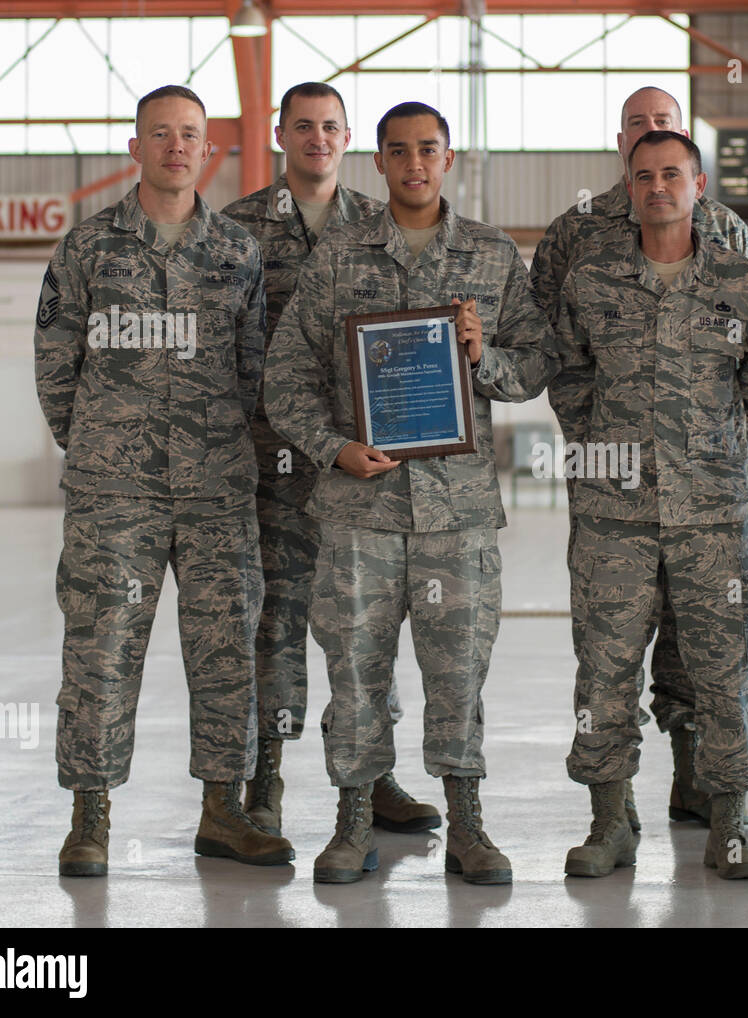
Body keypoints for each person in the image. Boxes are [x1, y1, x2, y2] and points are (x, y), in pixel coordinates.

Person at [264, 101, 553, 885]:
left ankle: (468, 825)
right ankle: (352, 822)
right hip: (361, 508)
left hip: (456, 513)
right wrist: (334, 449)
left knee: (458, 670)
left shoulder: (491, 255)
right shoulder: (337, 258)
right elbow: (284, 375)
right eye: (399, 153)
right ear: (380, 164)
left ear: (449, 159)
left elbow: (534, 366)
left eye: (428, 150)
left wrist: (483, 355)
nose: (414, 165)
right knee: (354, 668)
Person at [34, 84, 293, 876]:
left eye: (190, 134)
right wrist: (101, 453)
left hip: (218, 488)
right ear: (135, 146)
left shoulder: (237, 253)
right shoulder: (88, 249)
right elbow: (55, 368)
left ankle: (224, 810)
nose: (176, 147)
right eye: (160, 134)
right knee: (101, 650)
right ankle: (90, 818)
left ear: (206, 150)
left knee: (225, 651)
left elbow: (256, 374)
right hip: (116, 494)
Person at [549, 131, 748, 880]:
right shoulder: (591, 280)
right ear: (628, 184)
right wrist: (600, 450)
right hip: (613, 518)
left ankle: (732, 821)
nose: (658, 187)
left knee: (723, 669)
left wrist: (716, 454)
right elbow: (568, 376)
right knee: (605, 669)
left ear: (699, 183)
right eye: (643, 175)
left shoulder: (742, 282)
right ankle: (610, 823)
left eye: (672, 174)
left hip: (712, 515)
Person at [223, 82, 439, 839]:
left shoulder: (380, 226)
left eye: (331, 127)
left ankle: (374, 778)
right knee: (274, 626)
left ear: (350, 140)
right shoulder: (237, 230)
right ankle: (266, 785)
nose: (318, 138)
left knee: (367, 627)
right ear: (281, 134)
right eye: (304, 126)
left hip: (364, 466)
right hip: (269, 466)